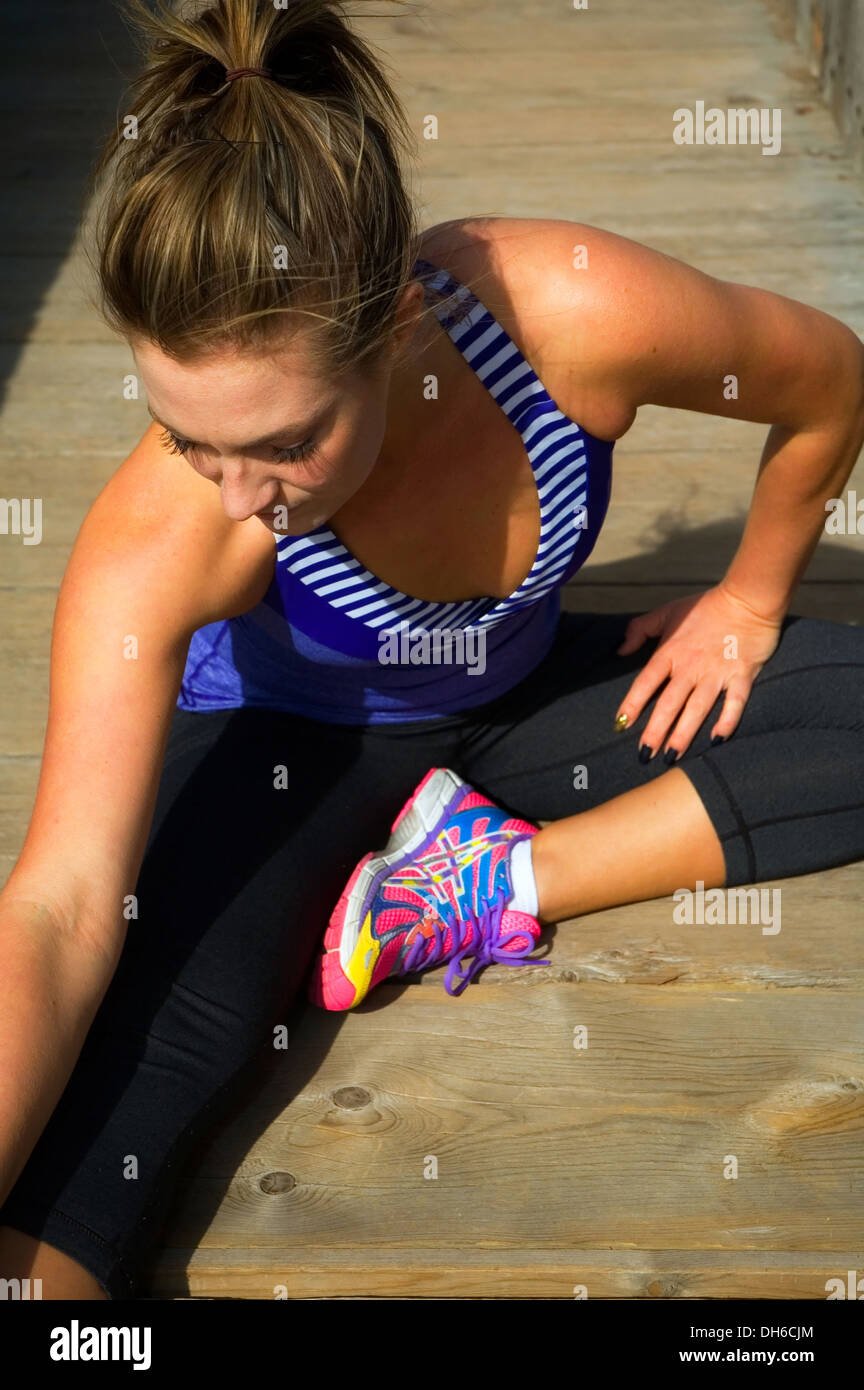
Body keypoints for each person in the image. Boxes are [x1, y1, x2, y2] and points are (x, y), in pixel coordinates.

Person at [1, 0, 862, 1300]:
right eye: (189, 437)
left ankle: (478, 883)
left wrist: (748, 593)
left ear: (398, 325)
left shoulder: (566, 313)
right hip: (292, 741)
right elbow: (60, 911)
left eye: (286, 442)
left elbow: (827, 377)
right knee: (160, 1051)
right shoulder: (165, 539)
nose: (238, 493)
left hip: (517, 695)